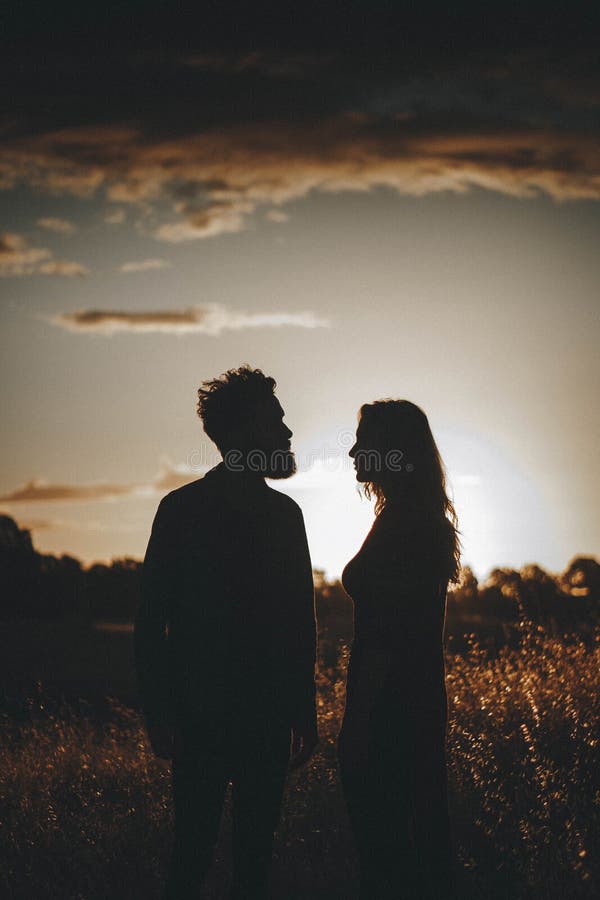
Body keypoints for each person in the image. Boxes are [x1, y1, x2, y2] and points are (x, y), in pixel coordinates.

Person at [134, 365, 318, 899]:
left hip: (259, 718)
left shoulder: (286, 516)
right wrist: (159, 713)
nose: (286, 432)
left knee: (252, 864)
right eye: (275, 421)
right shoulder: (182, 510)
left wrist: (301, 709)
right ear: (240, 432)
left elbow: (297, 622)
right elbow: (152, 620)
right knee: (191, 859)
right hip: (201, 718)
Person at [338, 399, 460, 900]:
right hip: (414, 710)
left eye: (363, 441)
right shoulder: (410, 519)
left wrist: (359, 723)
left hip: (390, 715)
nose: (351, 451)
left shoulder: (406, 526)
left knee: (388, 864)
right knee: (407, 855)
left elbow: (390, 637)